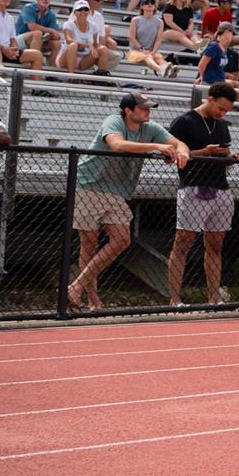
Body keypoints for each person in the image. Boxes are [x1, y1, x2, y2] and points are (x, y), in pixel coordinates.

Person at [66, 91, 189, 311]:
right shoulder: (113, 121)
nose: (147, 112)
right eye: (143, 108)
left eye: (148, 108)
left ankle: (75, 287)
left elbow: (179, 143)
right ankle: (92, 301)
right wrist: (156, 147)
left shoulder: (150, 128)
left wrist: (181, 153)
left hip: (117, 191)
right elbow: (117, 145)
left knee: (122, 239)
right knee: (89, 243)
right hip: (89, 184)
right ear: (128, 110)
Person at [166, 83, 239, 306]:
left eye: (226, 111)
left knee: (216, 244)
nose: (222, 114)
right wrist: (204, 152)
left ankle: (214, 298)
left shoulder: (222, 125)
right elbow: (169, 156)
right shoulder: (184, 122)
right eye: (220, 108)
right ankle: (174, 298)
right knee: (182, 242)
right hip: (193, 186)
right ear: (209, 99)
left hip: (220, 188)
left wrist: (234, 157)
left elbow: (225, 158)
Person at [124, 0, 174, 77]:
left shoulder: (159, 22)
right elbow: (132, 37)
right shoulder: (135, 20)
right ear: (142, 6)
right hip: (135, 51)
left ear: (155, 6)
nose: (150, 4)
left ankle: (169, 70)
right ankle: (161, 70)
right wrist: (142, 49)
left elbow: (158, 39)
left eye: (152, 3)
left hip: (151, 51)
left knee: (158, 57)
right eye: (147, 3)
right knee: (148, 57)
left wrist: (153, 52)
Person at [58, 0, 112, 75]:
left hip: (83, 60)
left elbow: (95, 45)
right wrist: (87, 44)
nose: (83, 12)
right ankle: (71, 77)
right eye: (80, 9)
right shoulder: (68, 24)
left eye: (86, 9)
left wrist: (95, 50)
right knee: (73, 45)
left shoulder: (94, 26)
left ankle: (101, 77)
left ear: (89, 11)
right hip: (65, 58)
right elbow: (69, 40)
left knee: (103, 49)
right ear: (74, 12)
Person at [16, 0, 62, 69]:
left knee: (57, 43)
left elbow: (56, 35)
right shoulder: (28, 8)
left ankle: (51, 71)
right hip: (18, 40)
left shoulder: (51, 14)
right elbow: (32, 27)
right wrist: (51, 31)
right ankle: (35, 65)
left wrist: (51, 35)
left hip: (36, 41)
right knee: (37, 33)